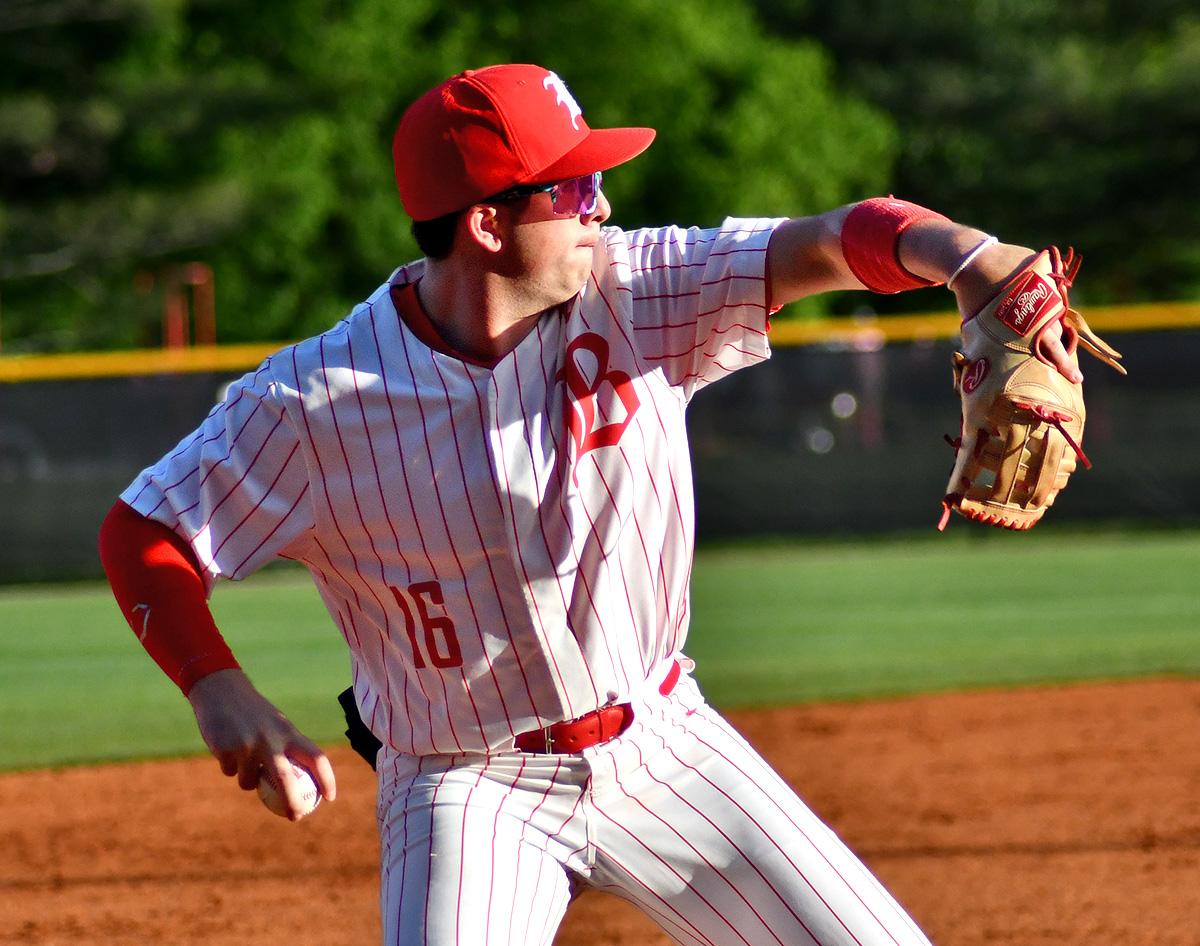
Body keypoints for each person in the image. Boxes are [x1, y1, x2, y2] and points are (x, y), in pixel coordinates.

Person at [100, 63, 1082, 946]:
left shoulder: (635, 287)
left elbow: (830, 239)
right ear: (487, 222)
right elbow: (147, 528)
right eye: (572, 187)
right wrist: (213, 684)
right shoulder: (313, 401)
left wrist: (972, 259)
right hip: (463, 783)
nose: (601, 206)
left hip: (664, 744)